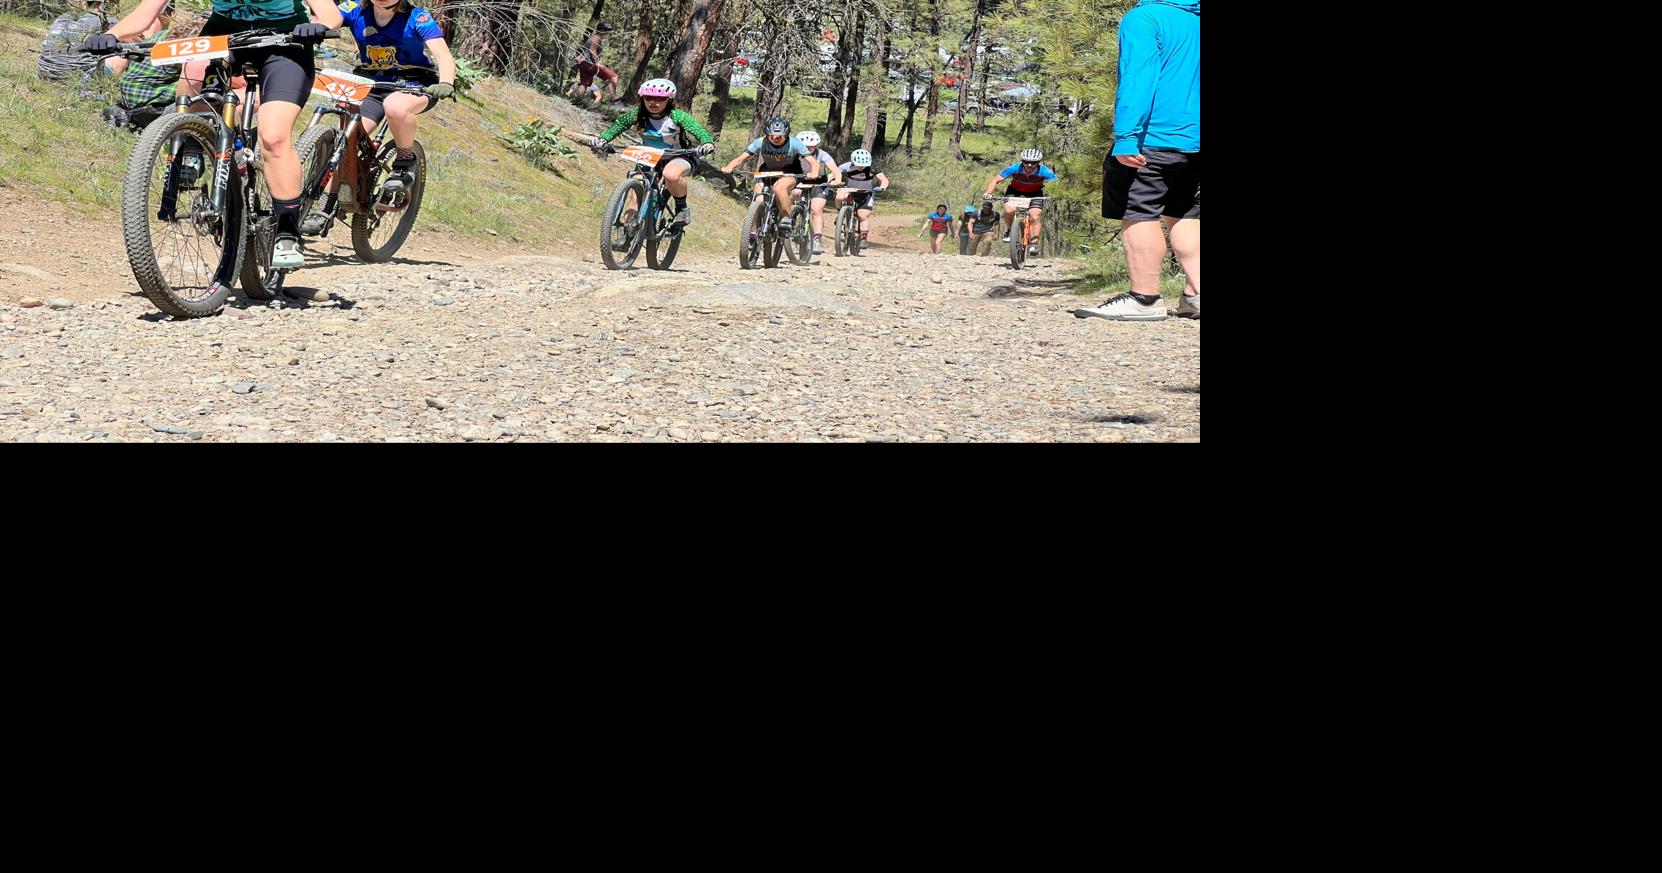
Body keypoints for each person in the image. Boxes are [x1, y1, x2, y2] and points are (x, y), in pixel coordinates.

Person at [89, 0, 346, 270]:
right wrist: (112, 35)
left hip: (285, 43)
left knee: (274, 137)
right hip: (225, 35)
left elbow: (330, 14)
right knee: (197, 70)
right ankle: (195, 144)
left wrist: (318, 26)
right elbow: (146, 12)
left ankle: (287, 230)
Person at [1075, 0, 1199, 322]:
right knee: (1184, 212)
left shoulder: (1145, 18)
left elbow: (1138, 76)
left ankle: (1143, 299)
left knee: (1139, 212)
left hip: (1153, 138)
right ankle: (1196, 295)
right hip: (1195, 143)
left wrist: (1126, 135)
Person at [305, 0, 457, 228]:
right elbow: (328, 18)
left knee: (395, 107)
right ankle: (324, 207)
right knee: (345, 139)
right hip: (373, 85)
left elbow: (443, 55)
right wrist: (310, 26)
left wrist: (446, 82)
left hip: (415, 85)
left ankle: (405, 159)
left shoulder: (418, 18)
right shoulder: (354, 9)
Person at [591, 78, 717, 236]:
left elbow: (699, 131)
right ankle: (626, 233)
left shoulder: (677, 116)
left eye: (660, 98)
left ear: (669, 100)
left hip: (680, 155)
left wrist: (707, 143)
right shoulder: (637, 114)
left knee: (671, 174)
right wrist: (603, 139)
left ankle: (682, 209)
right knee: (636, 185)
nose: (653, 102)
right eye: (648, 98)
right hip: (650, 156)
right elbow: (617, 127)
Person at [721, 117, 821, 232]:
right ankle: (753, 234)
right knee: (757, 200)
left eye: (779, 136)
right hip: (766, 173)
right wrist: (729, 167)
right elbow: (741, 159)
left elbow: (813, 162)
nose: (775, 139)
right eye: (771, 136)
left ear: (786, 134)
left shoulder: (795, 143)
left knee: (779, 188)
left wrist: (814, 172)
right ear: (767, 134)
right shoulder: (760, 142)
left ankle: (786, 218)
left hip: (789, 173)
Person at [982, 147, 1056, 258]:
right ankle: (1010, 230)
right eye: (1026, 162)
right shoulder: (1015, 167)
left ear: (1038, 162)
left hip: (1034, 194)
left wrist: (1056, 194)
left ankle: (1034, 243)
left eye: (1033, 163)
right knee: (1009, 210)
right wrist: (988, 192)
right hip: (1014, 192)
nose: (1029, 165)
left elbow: (1056, 184)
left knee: (1035, 216)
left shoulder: (1044, 171)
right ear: (1022, 161)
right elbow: (996, 179)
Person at [795, 130, 843, 255]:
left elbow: (835, 169)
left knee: (816, 209)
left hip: (818, 184)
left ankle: (817, 240)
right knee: (794, 194)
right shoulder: (793, 154)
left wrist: (837, 179)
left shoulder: (822, 154)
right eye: (805, 146)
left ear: (816, 145)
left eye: (811, 146)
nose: (809, 148)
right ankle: (790, 220)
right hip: (799, 182)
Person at [833, 148, 888, 250]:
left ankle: (863, 238)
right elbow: (834, 174)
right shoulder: (846, 166)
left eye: (863, 165)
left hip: (866, 193)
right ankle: (840, 213)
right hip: (850, 191)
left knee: (863, 216)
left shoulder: (873, 168)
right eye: (858, 164)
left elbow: (884, 180)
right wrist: (830, 181)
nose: (860, 167)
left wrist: (882, 187)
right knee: (839, 196)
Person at [568, 21, 619, 105]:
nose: (607, 32)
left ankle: (577, 101)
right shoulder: (596, 37)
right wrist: (598, 63)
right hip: (589, 64)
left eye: (608, 30)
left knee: (584, 83)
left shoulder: (593, 37)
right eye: (605, 29)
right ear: (600, 29)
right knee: (614, 76)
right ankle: (613, 97)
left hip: (583, 63)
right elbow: (592, 51)